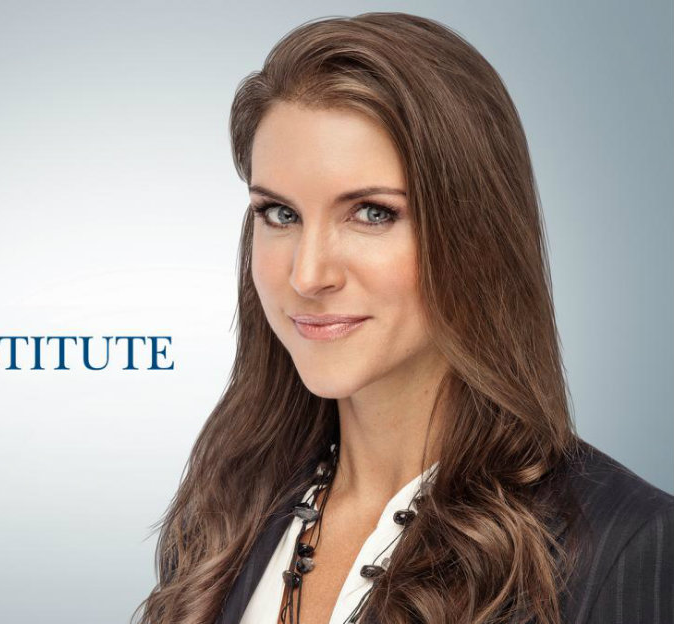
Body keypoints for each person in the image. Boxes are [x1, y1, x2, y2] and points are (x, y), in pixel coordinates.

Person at [132, 12, 673, 624]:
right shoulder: (223, 518)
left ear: (479, 235)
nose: (308, 275)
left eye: (372, 213)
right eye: (281, 214)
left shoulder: (625, 549)